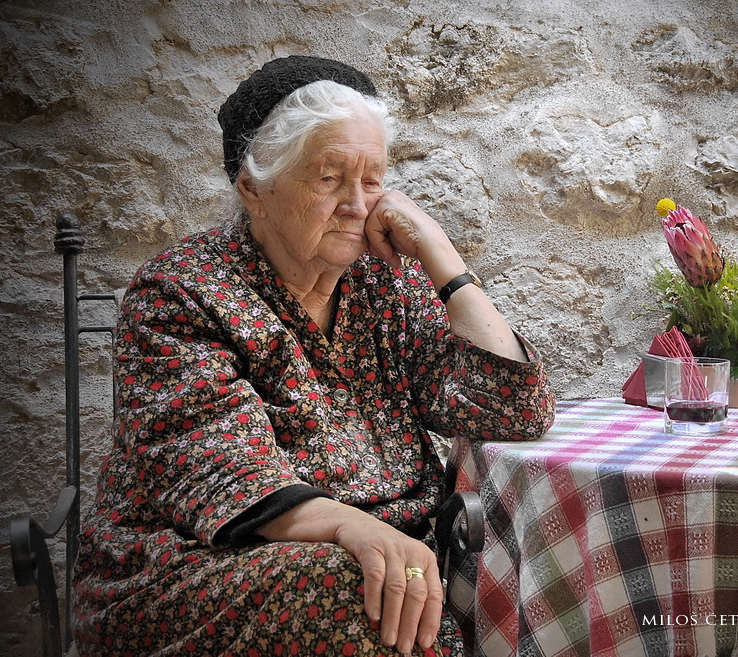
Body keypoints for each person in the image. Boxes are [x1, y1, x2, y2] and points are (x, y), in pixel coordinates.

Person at [73, 55, 555, 657]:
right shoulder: (182, 291)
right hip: (201, 562)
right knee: (357, 586)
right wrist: (361, 531)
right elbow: (226, 475)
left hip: (384, 552)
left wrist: (442, 257)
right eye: (329, 179)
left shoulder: (384, 282)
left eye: (374, 179)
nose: (358, 203)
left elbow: (513, 408)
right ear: (254, 188)